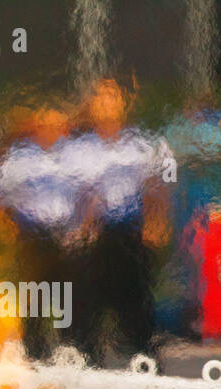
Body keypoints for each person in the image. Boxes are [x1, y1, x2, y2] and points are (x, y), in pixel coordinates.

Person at [65, 78, 172, 362]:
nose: (106, 104)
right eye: (99, 98)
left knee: (135, 301)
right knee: (87, 304)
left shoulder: (140, 144)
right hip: (95, 237)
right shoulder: (80, 149)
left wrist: (156, 222)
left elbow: (155, 186)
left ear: (124, 103)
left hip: (130, 232)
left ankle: (143, 357)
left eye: (112, 97)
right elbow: (77, 196)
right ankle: (86, 361)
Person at [0, 104, 82, 358]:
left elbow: (87, 195)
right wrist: (9, 227)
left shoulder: (74, 157)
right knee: (35, 294)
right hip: (32, 234)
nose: (52, 131)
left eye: (58, 126)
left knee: (68, 293)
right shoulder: (20, 158)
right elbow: (2, 197)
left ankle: (69, 346)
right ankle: (35, 348)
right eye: (46, 126)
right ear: (36, 129)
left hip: (66, 234)